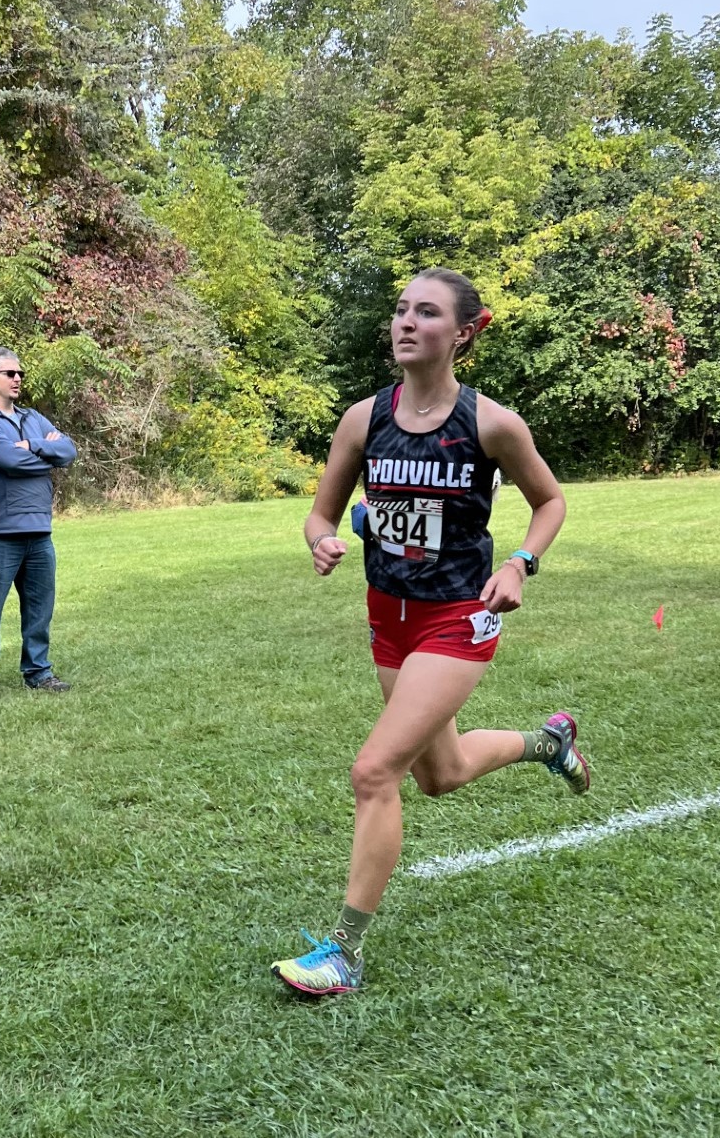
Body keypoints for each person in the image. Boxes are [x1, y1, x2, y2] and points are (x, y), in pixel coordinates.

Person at [269, 267, 587, 998]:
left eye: (428, 313)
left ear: (465, 332)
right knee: (438, 775)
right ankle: (549, 742)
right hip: (389, 617)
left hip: (459, 616)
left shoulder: (491, 423)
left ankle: (343, 955)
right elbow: (322, 512)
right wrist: (319, 539)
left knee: (374, 771)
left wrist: (520, 563)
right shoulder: (363, 418)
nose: (406, 323)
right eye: (401, 310)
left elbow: (550, 502)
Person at [0, 347, 79, 698]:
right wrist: (46, 453)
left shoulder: (33, 418)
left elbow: (69, 451)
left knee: (40, 608)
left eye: (20, 373)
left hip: (40, 531)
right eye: (10, 373)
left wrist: (31, 445)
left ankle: (39, 672)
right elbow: (8, 460)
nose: (17, 379)